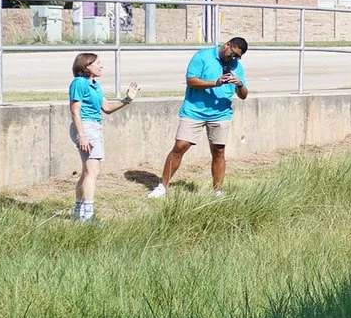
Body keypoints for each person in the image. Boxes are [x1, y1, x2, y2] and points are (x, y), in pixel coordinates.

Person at [150, 36, 249, 199]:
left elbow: (244, 95)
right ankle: (162, 186)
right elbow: (191, 81)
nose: (234, 58)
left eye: (237, 57)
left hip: (221, 113)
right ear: (227, 45)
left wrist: (239, 84)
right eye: (233, 54)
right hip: (194, 111)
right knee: (180, 146)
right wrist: (215, 83)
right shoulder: (203, 56)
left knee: (219, 151)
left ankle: (217, 190)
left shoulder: (237, 66)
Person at [65, 52, 137, 223]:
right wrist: (82, 136)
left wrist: (127, 99)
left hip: (95, 127)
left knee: (87, 172)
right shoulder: (79, 83)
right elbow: (75, 111)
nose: (101, 65)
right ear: (86, 66)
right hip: (86, 127)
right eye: (97, 63)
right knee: (93, 171)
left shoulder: (95, 84)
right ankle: (88, 215)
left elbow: (106, 107)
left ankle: (79, 212)